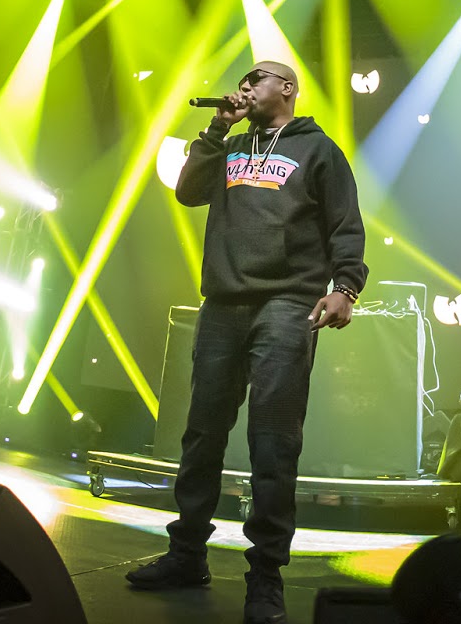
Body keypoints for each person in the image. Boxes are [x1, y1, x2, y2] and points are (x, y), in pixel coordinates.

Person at [128, 60, 366, 624]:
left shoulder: (318, 150)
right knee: (202, 431)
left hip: (288, 303)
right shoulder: (231, 146)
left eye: (257, 77)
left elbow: (345, 224)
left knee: (273, 439)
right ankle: (187, 555)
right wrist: (215, 131)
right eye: (243, 78)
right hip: (224, 303)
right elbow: (188, 192)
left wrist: (346, 288)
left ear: (286, 87)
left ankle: (265, 576)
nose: (244, 84)